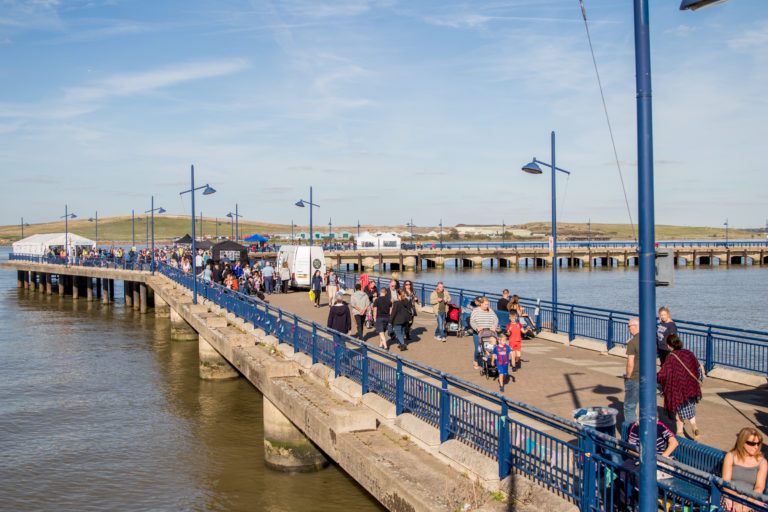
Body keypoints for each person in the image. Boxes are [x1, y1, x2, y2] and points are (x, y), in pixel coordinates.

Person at [657, 334, 703, 441]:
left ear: (668, 345)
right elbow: (697, 367)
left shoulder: (671, 357)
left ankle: (680, 432)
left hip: (678, 388)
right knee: (689, 407)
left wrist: (656, 378)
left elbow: (664, 374)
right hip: (691, 386)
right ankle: (693, 426)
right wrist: (698, 381)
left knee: (679, 409)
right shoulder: (688, 353)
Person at [721, 428, 767, 512]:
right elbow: (726, 483)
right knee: (729, 506)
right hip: (731, 494)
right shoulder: (731, 456)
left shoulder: (762, 462)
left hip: (751, 497)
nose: (756, 447)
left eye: (758, 443)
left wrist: (747, 502)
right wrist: (736, 499)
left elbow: (759, 488)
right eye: (752, 444)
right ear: (742, 443)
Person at [470, 298, 499, 370]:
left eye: (488, 304)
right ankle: (475, 360)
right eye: (485, 304)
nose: (487, 306)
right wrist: (476, 328)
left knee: (491, 348)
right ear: (481, 304)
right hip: (478, 332)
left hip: (489, 332)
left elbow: (496, 319)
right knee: (478, 349)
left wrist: (494, 327)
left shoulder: (490, 311)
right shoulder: (476, 311)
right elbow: (472, 321)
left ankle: (491, 362)